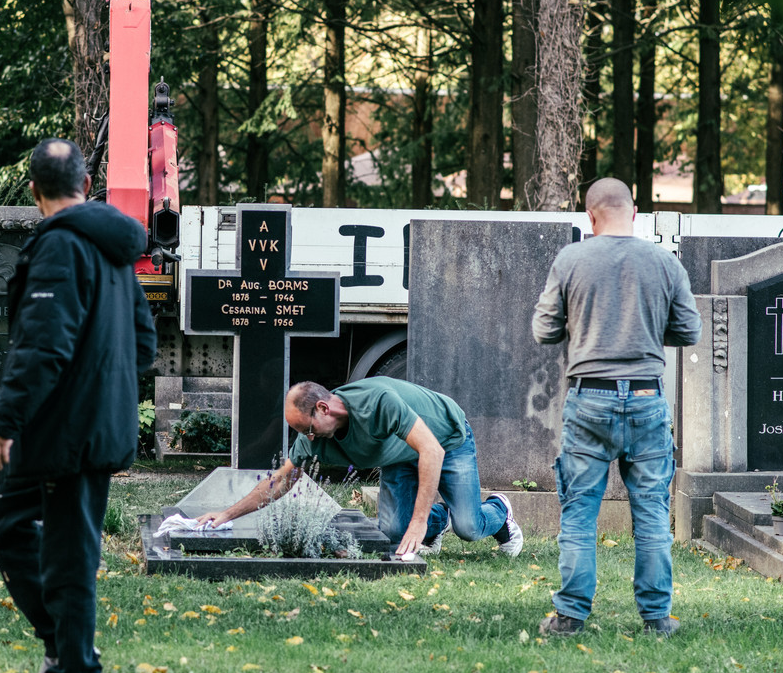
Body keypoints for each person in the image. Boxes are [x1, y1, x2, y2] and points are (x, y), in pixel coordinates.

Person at [0, 138, 156, 673]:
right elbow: (144, 344)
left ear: (34, 190)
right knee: (7, 518)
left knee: (68, 557)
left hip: (70, 431)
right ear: (86, 184)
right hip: (88, 423)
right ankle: (64, 649)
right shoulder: (113, 248)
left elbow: (43, 345)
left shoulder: (60, 244)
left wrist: (4, 421)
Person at [531, 177, 701, 638]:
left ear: (590, 216)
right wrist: (647, 330)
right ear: (635, 211)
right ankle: (657, 619)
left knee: (579, 512)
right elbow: (690, 330)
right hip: (647, 399)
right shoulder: (665, 262)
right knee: (651, 514)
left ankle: (570, 617)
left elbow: (544, 331)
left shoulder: (571, 259)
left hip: (589, 399)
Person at [196, 376, 524, 559]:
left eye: (307, 429)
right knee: (394, 534)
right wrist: (226, 515)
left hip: (445, 439)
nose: (306, 438)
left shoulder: (376, 401)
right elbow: (280, 481)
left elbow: (431, 450)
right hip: (399, 455)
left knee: (468, 527)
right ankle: (437, 520)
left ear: (323, 408)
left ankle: (499, 510)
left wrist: (418, 521)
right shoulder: (312, 439)